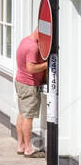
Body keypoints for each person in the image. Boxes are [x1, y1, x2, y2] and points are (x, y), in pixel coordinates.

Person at [15, 28, 48, 157]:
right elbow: (31, 67)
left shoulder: (25, 41)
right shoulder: (33, 47)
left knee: (22, 114)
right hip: (29, 85)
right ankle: (28, 149)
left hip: (21, 82)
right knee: (28, 117)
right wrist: (46, 65)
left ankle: (21, 146)